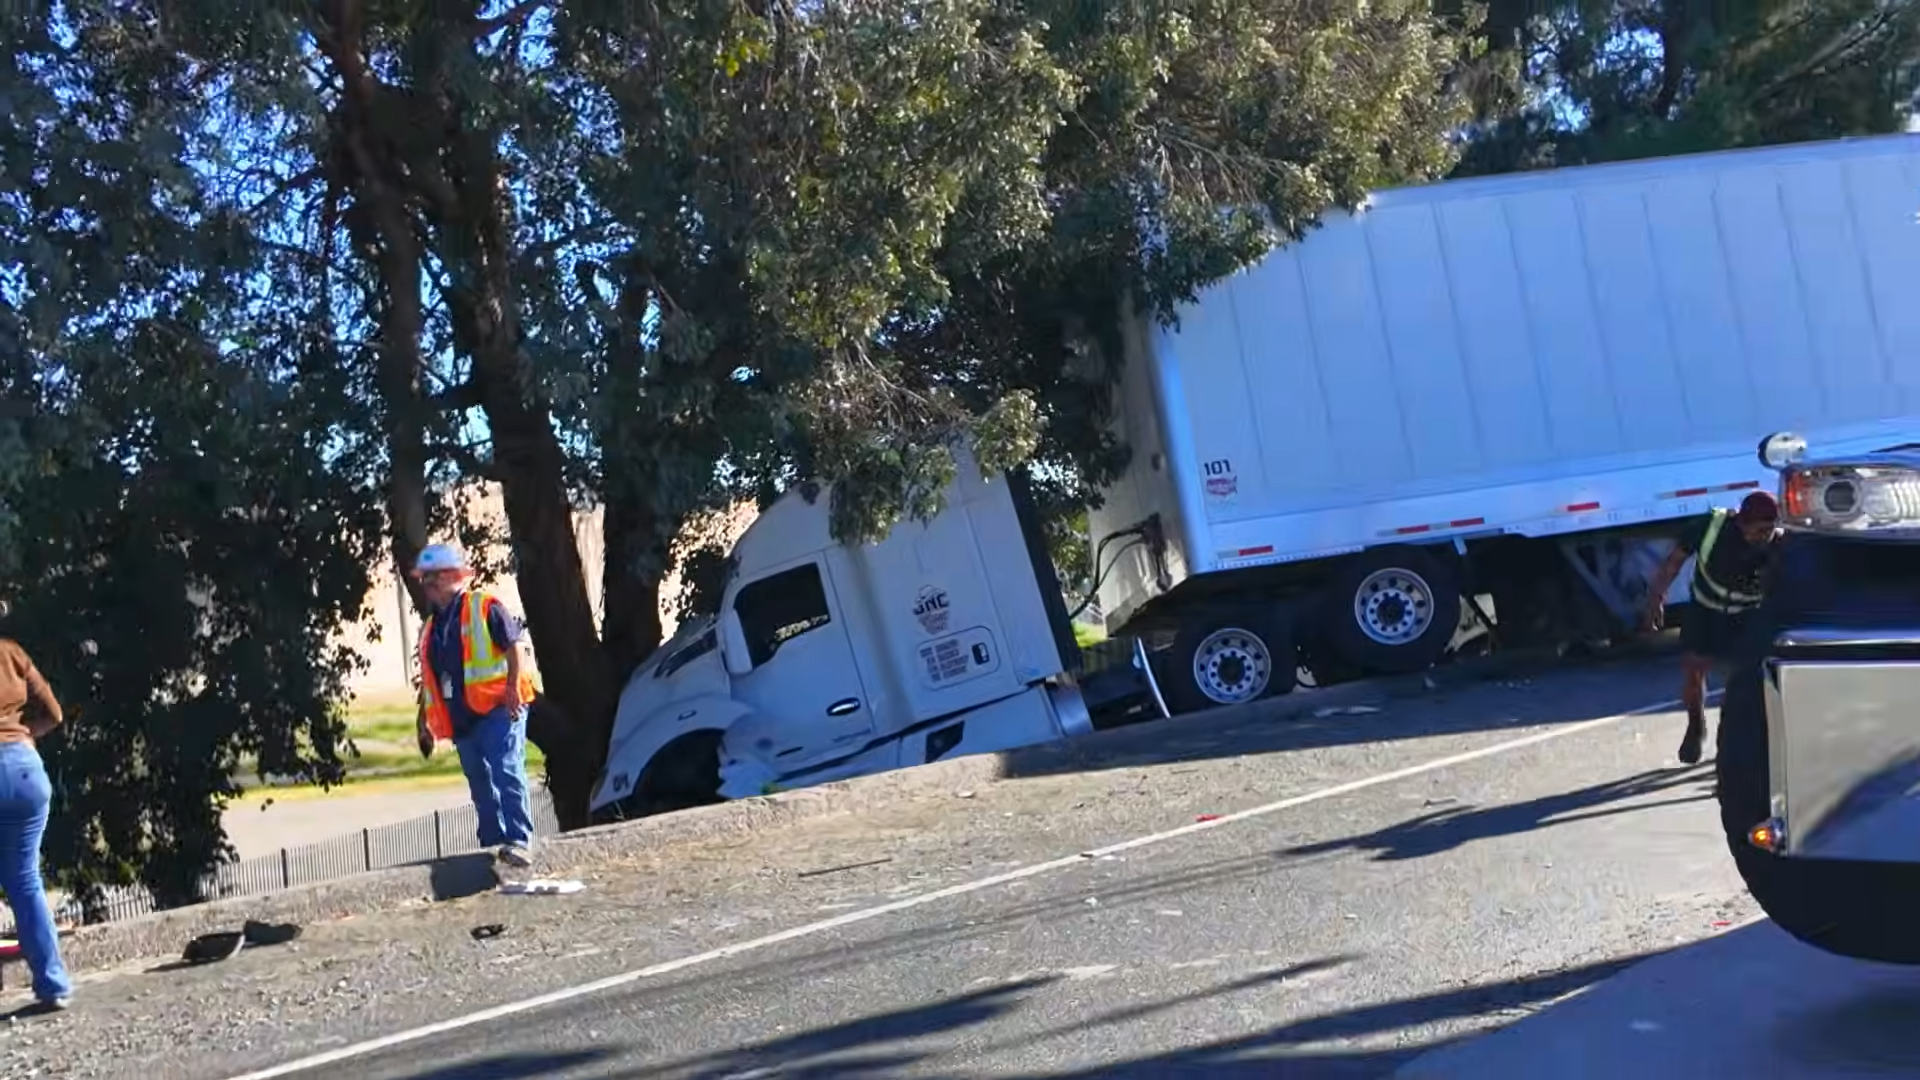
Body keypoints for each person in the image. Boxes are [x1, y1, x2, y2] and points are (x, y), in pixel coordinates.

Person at [412, 543, 540, 867]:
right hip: (463, 719)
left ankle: (520, 840)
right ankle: (492, 845)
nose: (429, 584)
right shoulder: (431, 628)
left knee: (506, 771)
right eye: (425, 578)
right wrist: (423, 721)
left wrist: (512, 687)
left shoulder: (484, 606)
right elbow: (431, 681)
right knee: (480, 784)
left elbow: (514, 647)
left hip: (499, 709)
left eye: (435, 577)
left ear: (455, 576)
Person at [1642, 491, 1781, 766]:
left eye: (1770, 529)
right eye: (1759, 530)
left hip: (1746, 616)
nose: (1764, 536)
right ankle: (1695, 724)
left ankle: (1732, 740)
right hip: (1704, 610)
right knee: (1694, 670)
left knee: (1741, 680)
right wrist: (1656, 598)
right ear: (1742, 522)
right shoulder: (1710, 527)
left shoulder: (1778, 544)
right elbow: (1673, 562)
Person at [0, 634, 73, 1010]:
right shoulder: (11, 652)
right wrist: (23, 736)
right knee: (26, 881)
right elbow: (54, 715)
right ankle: (54, 985)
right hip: (26, 770)